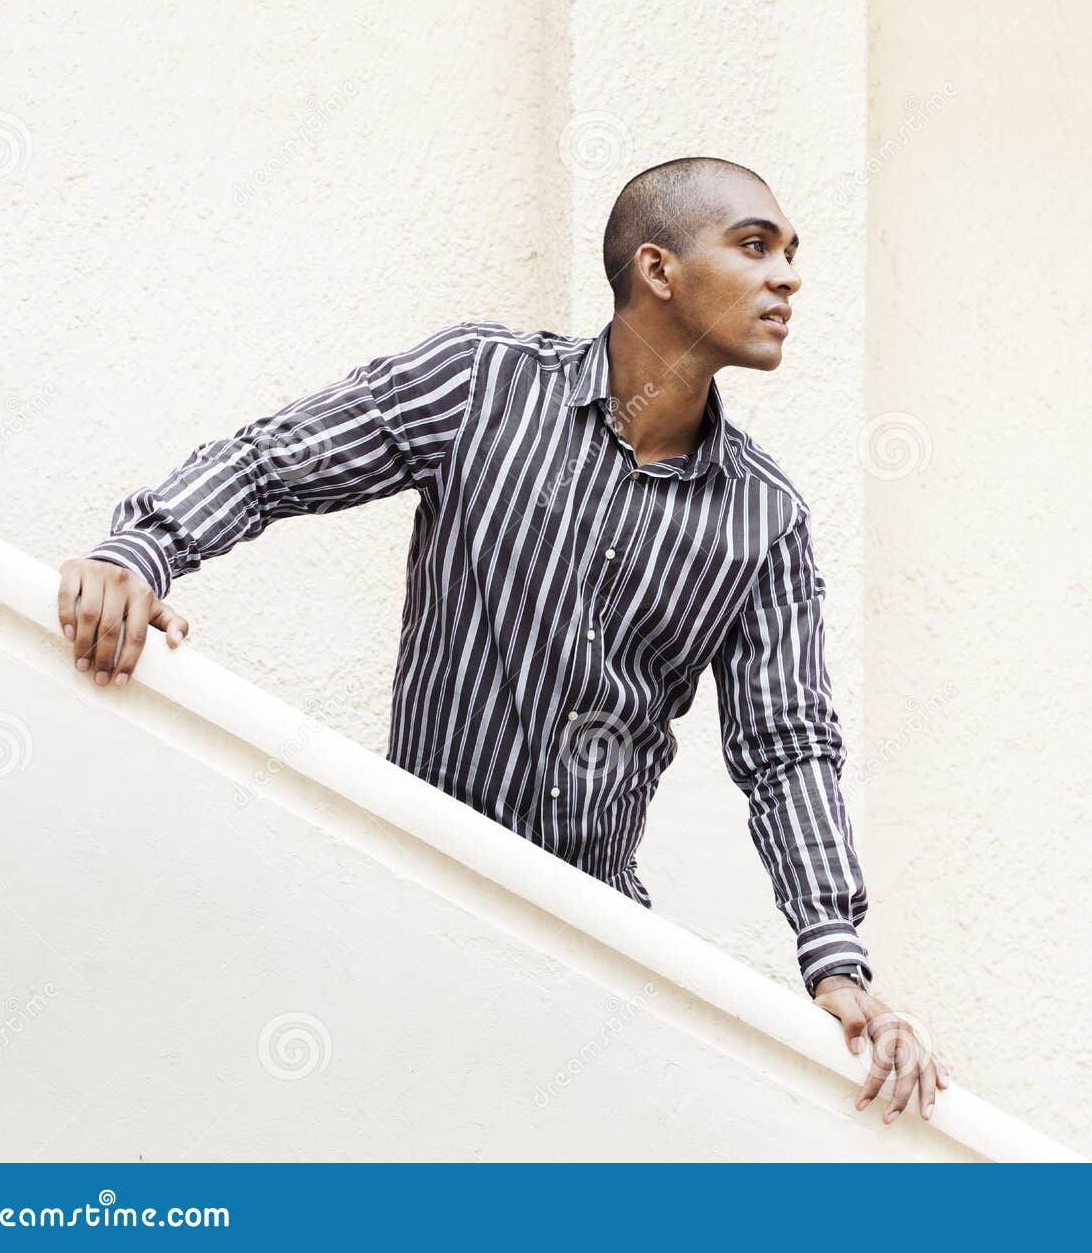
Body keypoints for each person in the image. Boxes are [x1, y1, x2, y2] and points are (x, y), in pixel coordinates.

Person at [56, 156, 947, 1124]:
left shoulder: (763, 518)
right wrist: (141, 553)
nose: (789, 277)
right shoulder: (482, 383)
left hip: (589, 962)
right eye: (755, 246)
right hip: (404, 907)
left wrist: (835, 960)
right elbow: (277, 461)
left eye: (790, 253)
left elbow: (787, 748)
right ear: (657, 269)